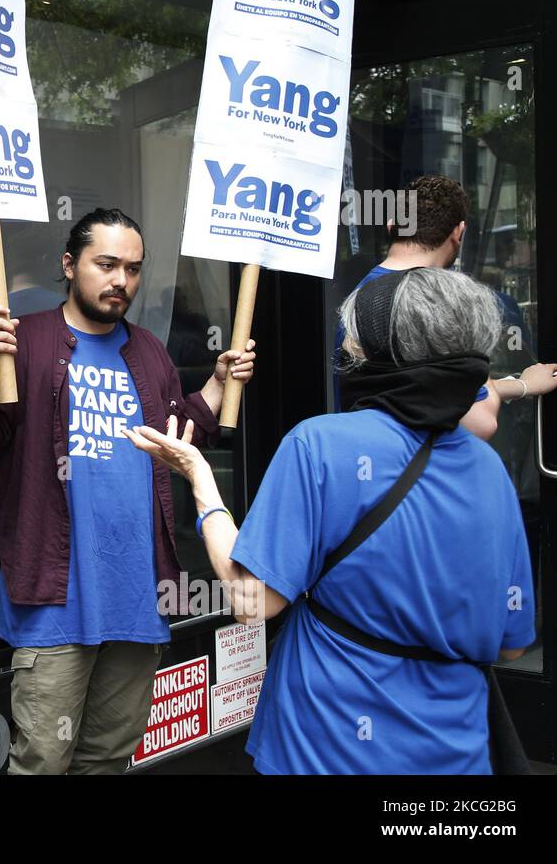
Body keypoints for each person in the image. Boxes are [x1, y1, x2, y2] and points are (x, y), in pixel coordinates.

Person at [130, 267, 535, 774]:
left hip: (327, 747)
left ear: (384, 353)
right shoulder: (489, 469)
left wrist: (200, 478)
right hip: (455, 755)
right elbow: (514, 646)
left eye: (356, 342)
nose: (349, 352)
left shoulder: (319, 444)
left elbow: (253, 600)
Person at [0, 207, 256, 774]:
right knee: (41, 761)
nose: (121, 281)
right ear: (70, 265)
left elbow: (182, 434)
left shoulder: (148, 352)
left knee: (108, 762)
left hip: (139, 597)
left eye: (133, 269)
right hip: (55, 600)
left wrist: (217, 382)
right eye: (106, 264)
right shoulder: (27, 339)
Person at [334, 174, 557, 432]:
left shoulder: (359, 299)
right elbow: (479, 416)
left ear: (391, 225)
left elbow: (413, 391)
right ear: (458, 232)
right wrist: (523, 385)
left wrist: (509, 384)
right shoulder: (437, 303)